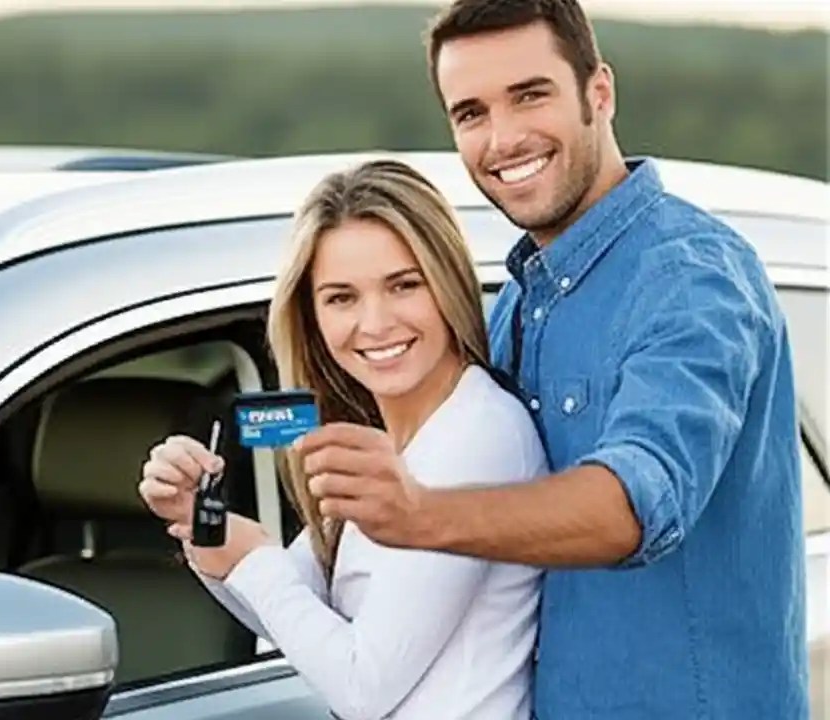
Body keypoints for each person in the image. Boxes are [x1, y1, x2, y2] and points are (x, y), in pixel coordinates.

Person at [300, 1, 808, 718]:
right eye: (471, 113)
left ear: (599, 92)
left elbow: (636, 502)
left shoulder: (691, 278)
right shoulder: (516, 303)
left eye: (529, 95)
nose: (503, 138)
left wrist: (419, 515)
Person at [139, 159, 549, 720]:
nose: (375, 323)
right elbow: (294, 616)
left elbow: (362, 687)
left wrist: (253, 559)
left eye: (403, 285)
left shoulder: (477, 437)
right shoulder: (387, 437)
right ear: (311, 314)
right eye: (341, 298)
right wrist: (205, 528)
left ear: (448, 283)